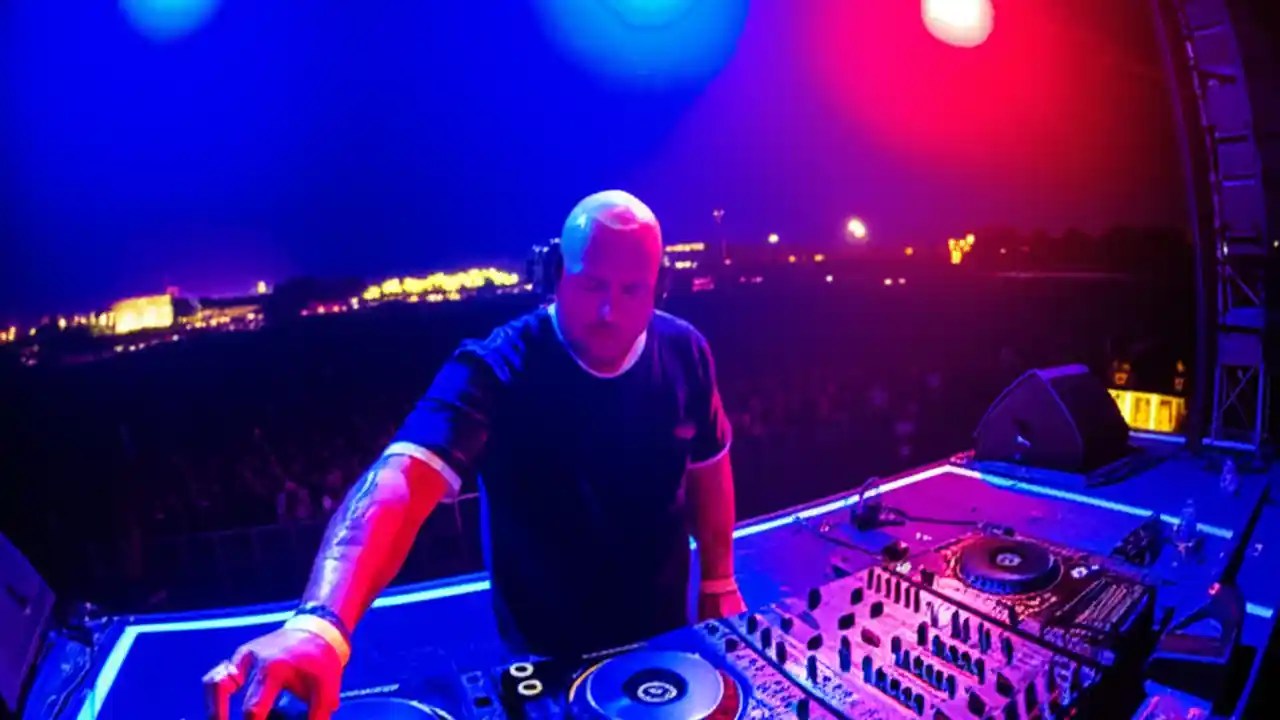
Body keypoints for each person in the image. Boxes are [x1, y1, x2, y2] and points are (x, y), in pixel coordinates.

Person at [202, 190, 745, 720]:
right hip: (543, 657)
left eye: (633, 290)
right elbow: (402, 481)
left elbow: (709, 466)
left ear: (659, 287)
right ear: (555, 274)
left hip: (665, 641)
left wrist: (719, 580)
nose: (611, 310)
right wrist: (320, 625)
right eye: (593, 285)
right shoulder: (494, 367)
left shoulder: (686, 351)